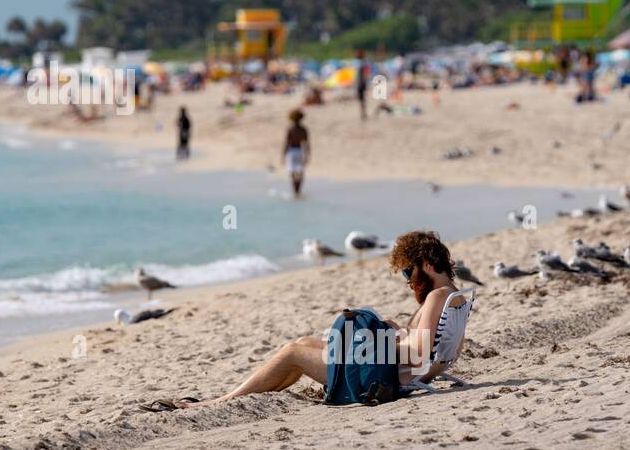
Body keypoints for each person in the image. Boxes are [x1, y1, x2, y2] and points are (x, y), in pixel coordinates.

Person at [157, 232, 468, 407]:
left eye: (407, 271)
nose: (407, 280)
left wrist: (387, 336)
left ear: (425, 264)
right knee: (303, 343)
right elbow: (430, 348)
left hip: (383, 376)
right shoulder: (453, 296)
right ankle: (252, 391)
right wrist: (396, 330)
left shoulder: (436, 297)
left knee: (293, 352)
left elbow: (417, 350)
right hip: (398, 370)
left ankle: (219, 401)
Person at [283, 109, 310, 196]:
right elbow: (306, 143)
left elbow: (287, 143)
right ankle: (298, 190)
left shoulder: (290, 129)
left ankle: (295, 190)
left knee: (292, 172)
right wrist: (307, 154)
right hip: (300, 151)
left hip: (292, 151)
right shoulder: (303, 129)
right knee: (300, 172)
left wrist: (283, 155)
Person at [355, 49, 369, 121]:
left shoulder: (361, 63)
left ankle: (363, 113)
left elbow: (362, 75)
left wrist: (362, 83)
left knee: (362, 99)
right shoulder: (363, 62)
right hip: (361, 83)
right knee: (362, 99)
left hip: (360, 84)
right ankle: (363, 113)